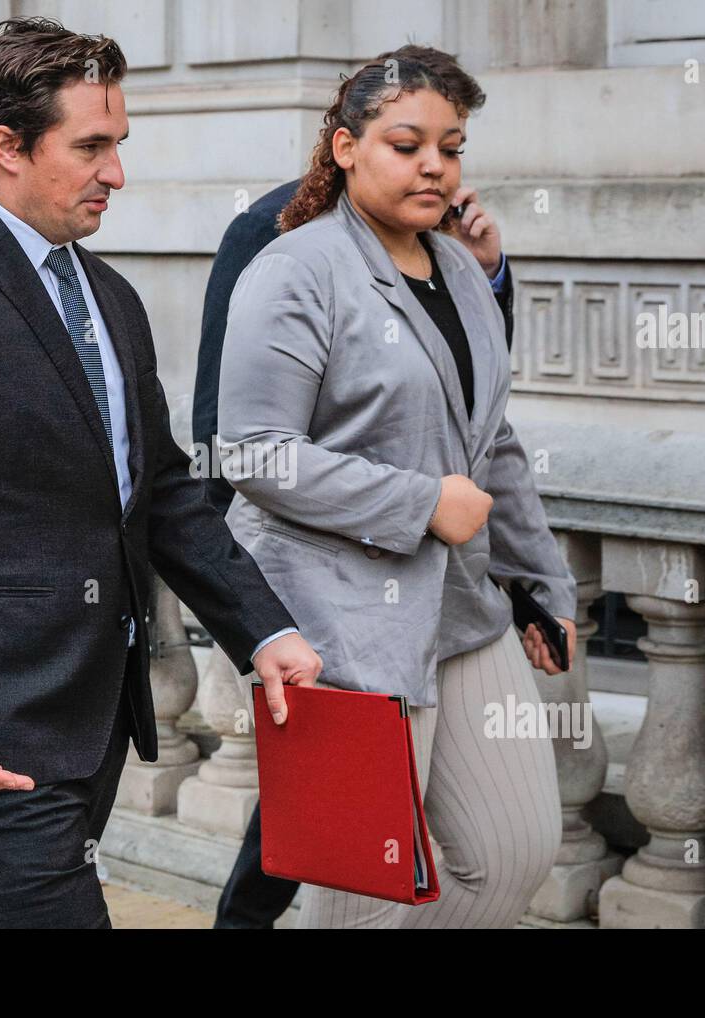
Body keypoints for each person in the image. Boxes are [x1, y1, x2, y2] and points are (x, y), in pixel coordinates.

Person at [0, 16, 322, 930]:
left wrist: (263, 629)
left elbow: (163, 494)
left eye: (118, 145)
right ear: (6, 145)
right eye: (91, 147)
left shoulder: (114, 298)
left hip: (94, 717)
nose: (116, 173)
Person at [216, 46, 576, 928]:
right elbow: (254, 454)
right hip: (339, 624)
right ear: (345, 147)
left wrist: (547, 583)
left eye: (450, 148)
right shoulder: (293, 271)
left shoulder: (462, 270)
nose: (434, 166)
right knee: (359, 893)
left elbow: (497, 445)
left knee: (513, 854)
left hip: (464, 611)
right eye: (407, 143)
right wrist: (421, 503)